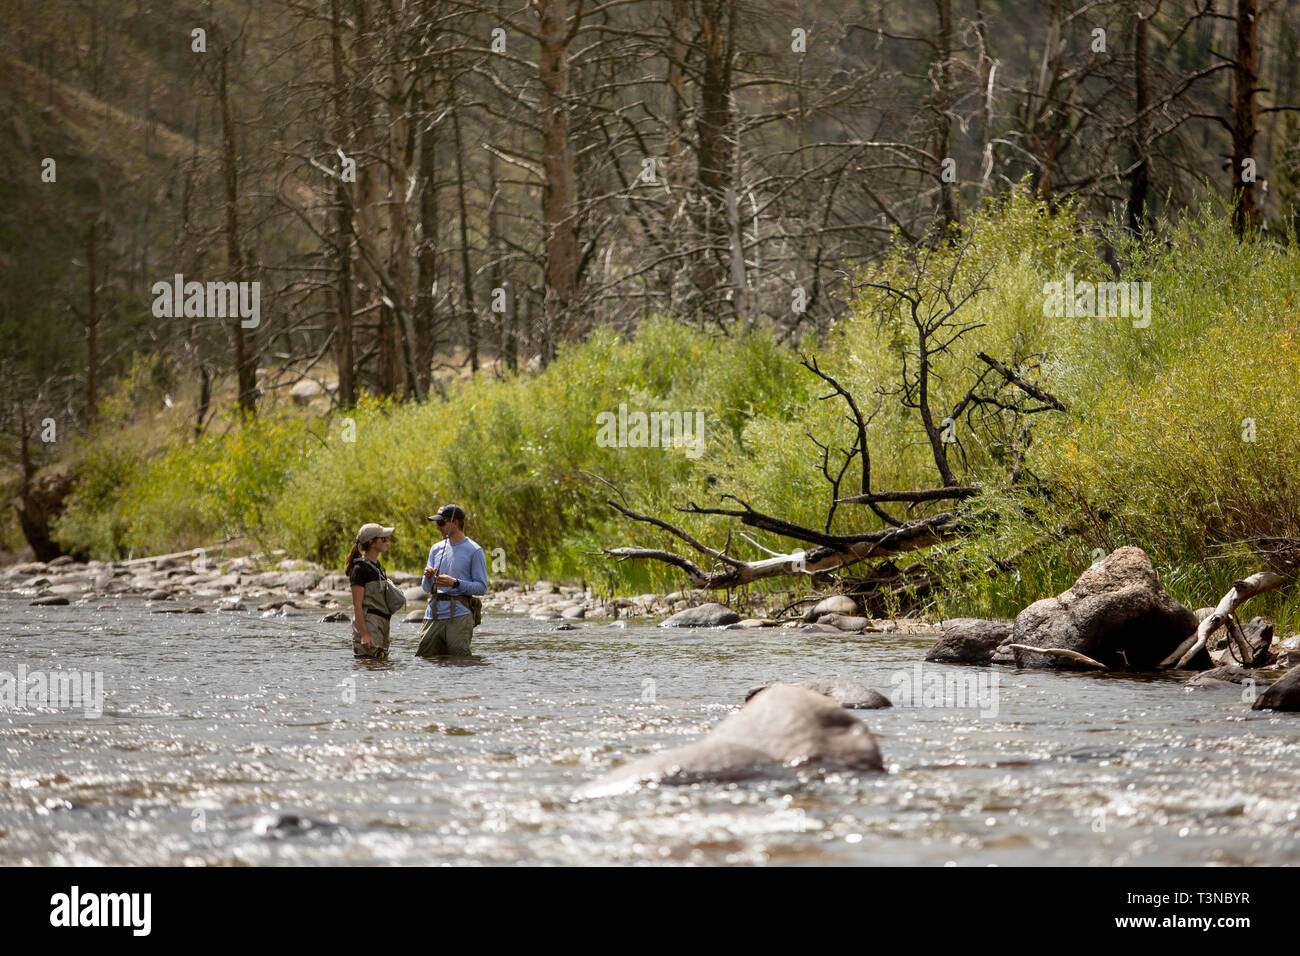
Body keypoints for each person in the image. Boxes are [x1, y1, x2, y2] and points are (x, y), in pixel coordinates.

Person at [416, 504, 488, 657]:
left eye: (441, 523)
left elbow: (481, 587)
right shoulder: (435, 549)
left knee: (459, 662)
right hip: (433, 615)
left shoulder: (475, 550)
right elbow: (426, 588)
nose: (438, 527)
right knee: (425, 660)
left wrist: (455, 583)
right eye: (437, 523)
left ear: (455, 523)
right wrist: (428, 577)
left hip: (460, 615)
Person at [345, 522, 397, 660]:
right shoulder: (359, 569)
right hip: (369, 625)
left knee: (381, 666)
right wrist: (364, 635)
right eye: (383, 538)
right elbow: (357, 605)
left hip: (382, 623)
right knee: (369, 666)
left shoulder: (377, 567)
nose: (387, 541)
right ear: (371, 542)